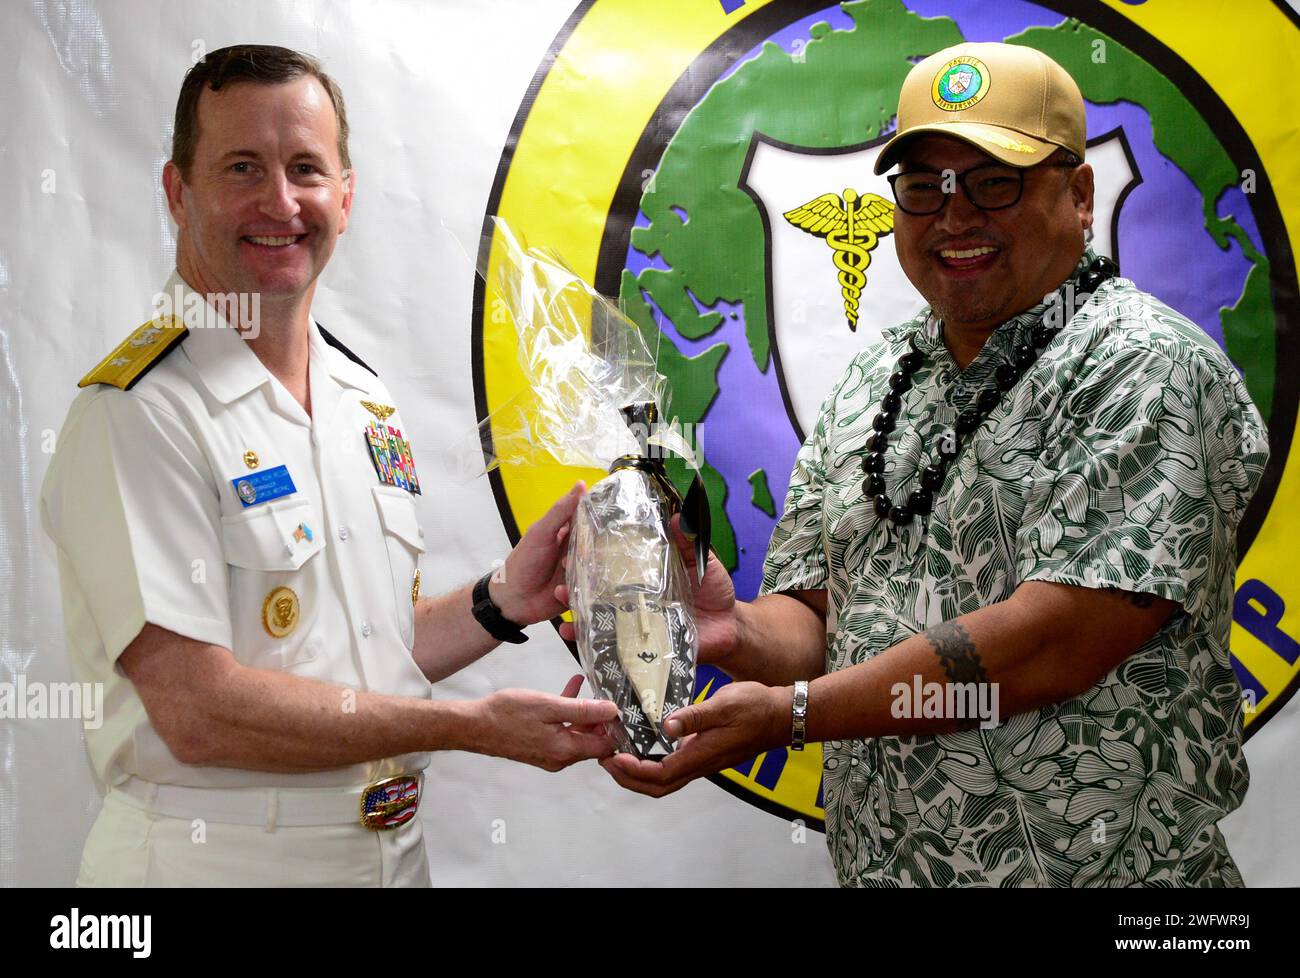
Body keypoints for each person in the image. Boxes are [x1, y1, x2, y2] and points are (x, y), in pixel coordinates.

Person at [592, 41, 1270, 887]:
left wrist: (794, 716)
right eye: (923, 187)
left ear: (1081, 193)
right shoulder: (871, 382)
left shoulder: (1148, 366)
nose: (954, 218)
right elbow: (819, 628)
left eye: (995, 180)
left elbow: (1051, 643)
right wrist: (731, 632)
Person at [39, 44, 616, 888]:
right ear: (177, 192)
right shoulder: (138, 412)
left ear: (346, 195)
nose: (281, 201)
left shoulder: (359, 396)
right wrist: (469, 727)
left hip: (388, 861)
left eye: (306, 168)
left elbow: (355, 654)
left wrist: (502, 600)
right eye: (243, 167)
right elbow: (199, 711)